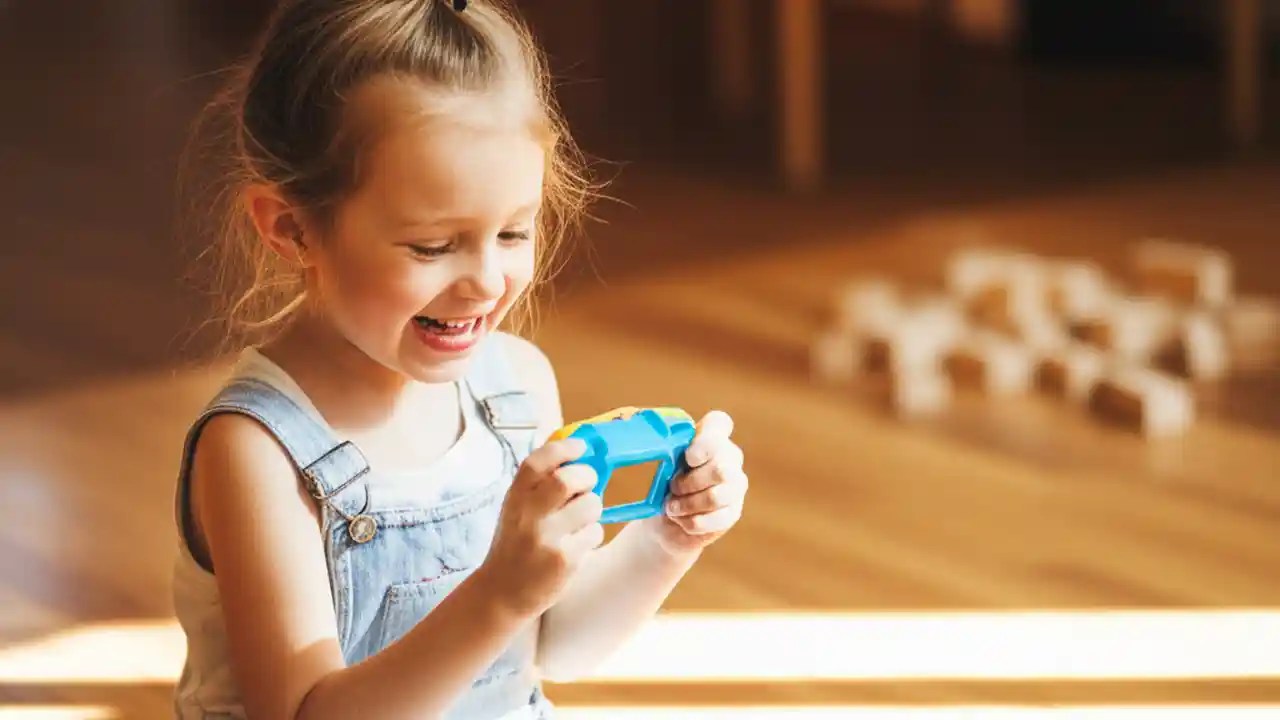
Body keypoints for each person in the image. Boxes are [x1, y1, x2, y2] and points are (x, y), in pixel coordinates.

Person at [170, 1, 749, 718]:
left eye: (512, 234)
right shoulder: (257, 451)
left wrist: (668, 539)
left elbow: (553, 647)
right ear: (292, 229)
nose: (484, 281)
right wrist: (498, 595)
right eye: (433, 246)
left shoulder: (517, 388)